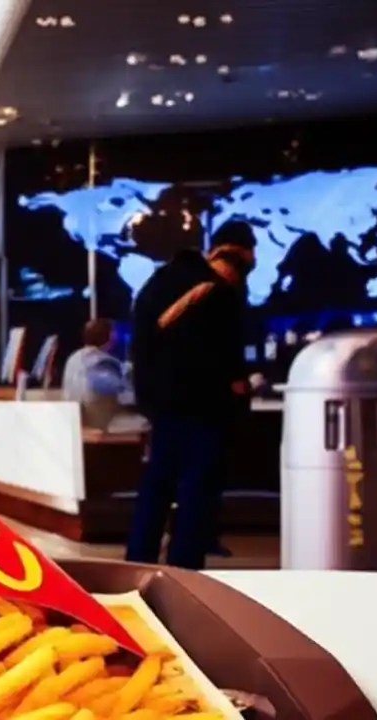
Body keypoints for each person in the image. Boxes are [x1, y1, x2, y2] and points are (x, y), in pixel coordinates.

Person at [126, 221, 255, 570]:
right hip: (204, 407)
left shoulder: (159, 281)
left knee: (156, 488)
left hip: (161, 406)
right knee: (197, 491)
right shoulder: (216, 292)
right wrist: (241, 393)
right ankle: (184, 568)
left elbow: (143, 346)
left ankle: (137, 561)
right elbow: (228, 360)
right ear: (234, 254)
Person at [61, 319, 128, 431]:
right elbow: (115, 388)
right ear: (110, 336)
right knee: (147, 423)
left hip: (75, 422)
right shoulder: (101, 361)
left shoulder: (73, 357)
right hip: (100, 424)